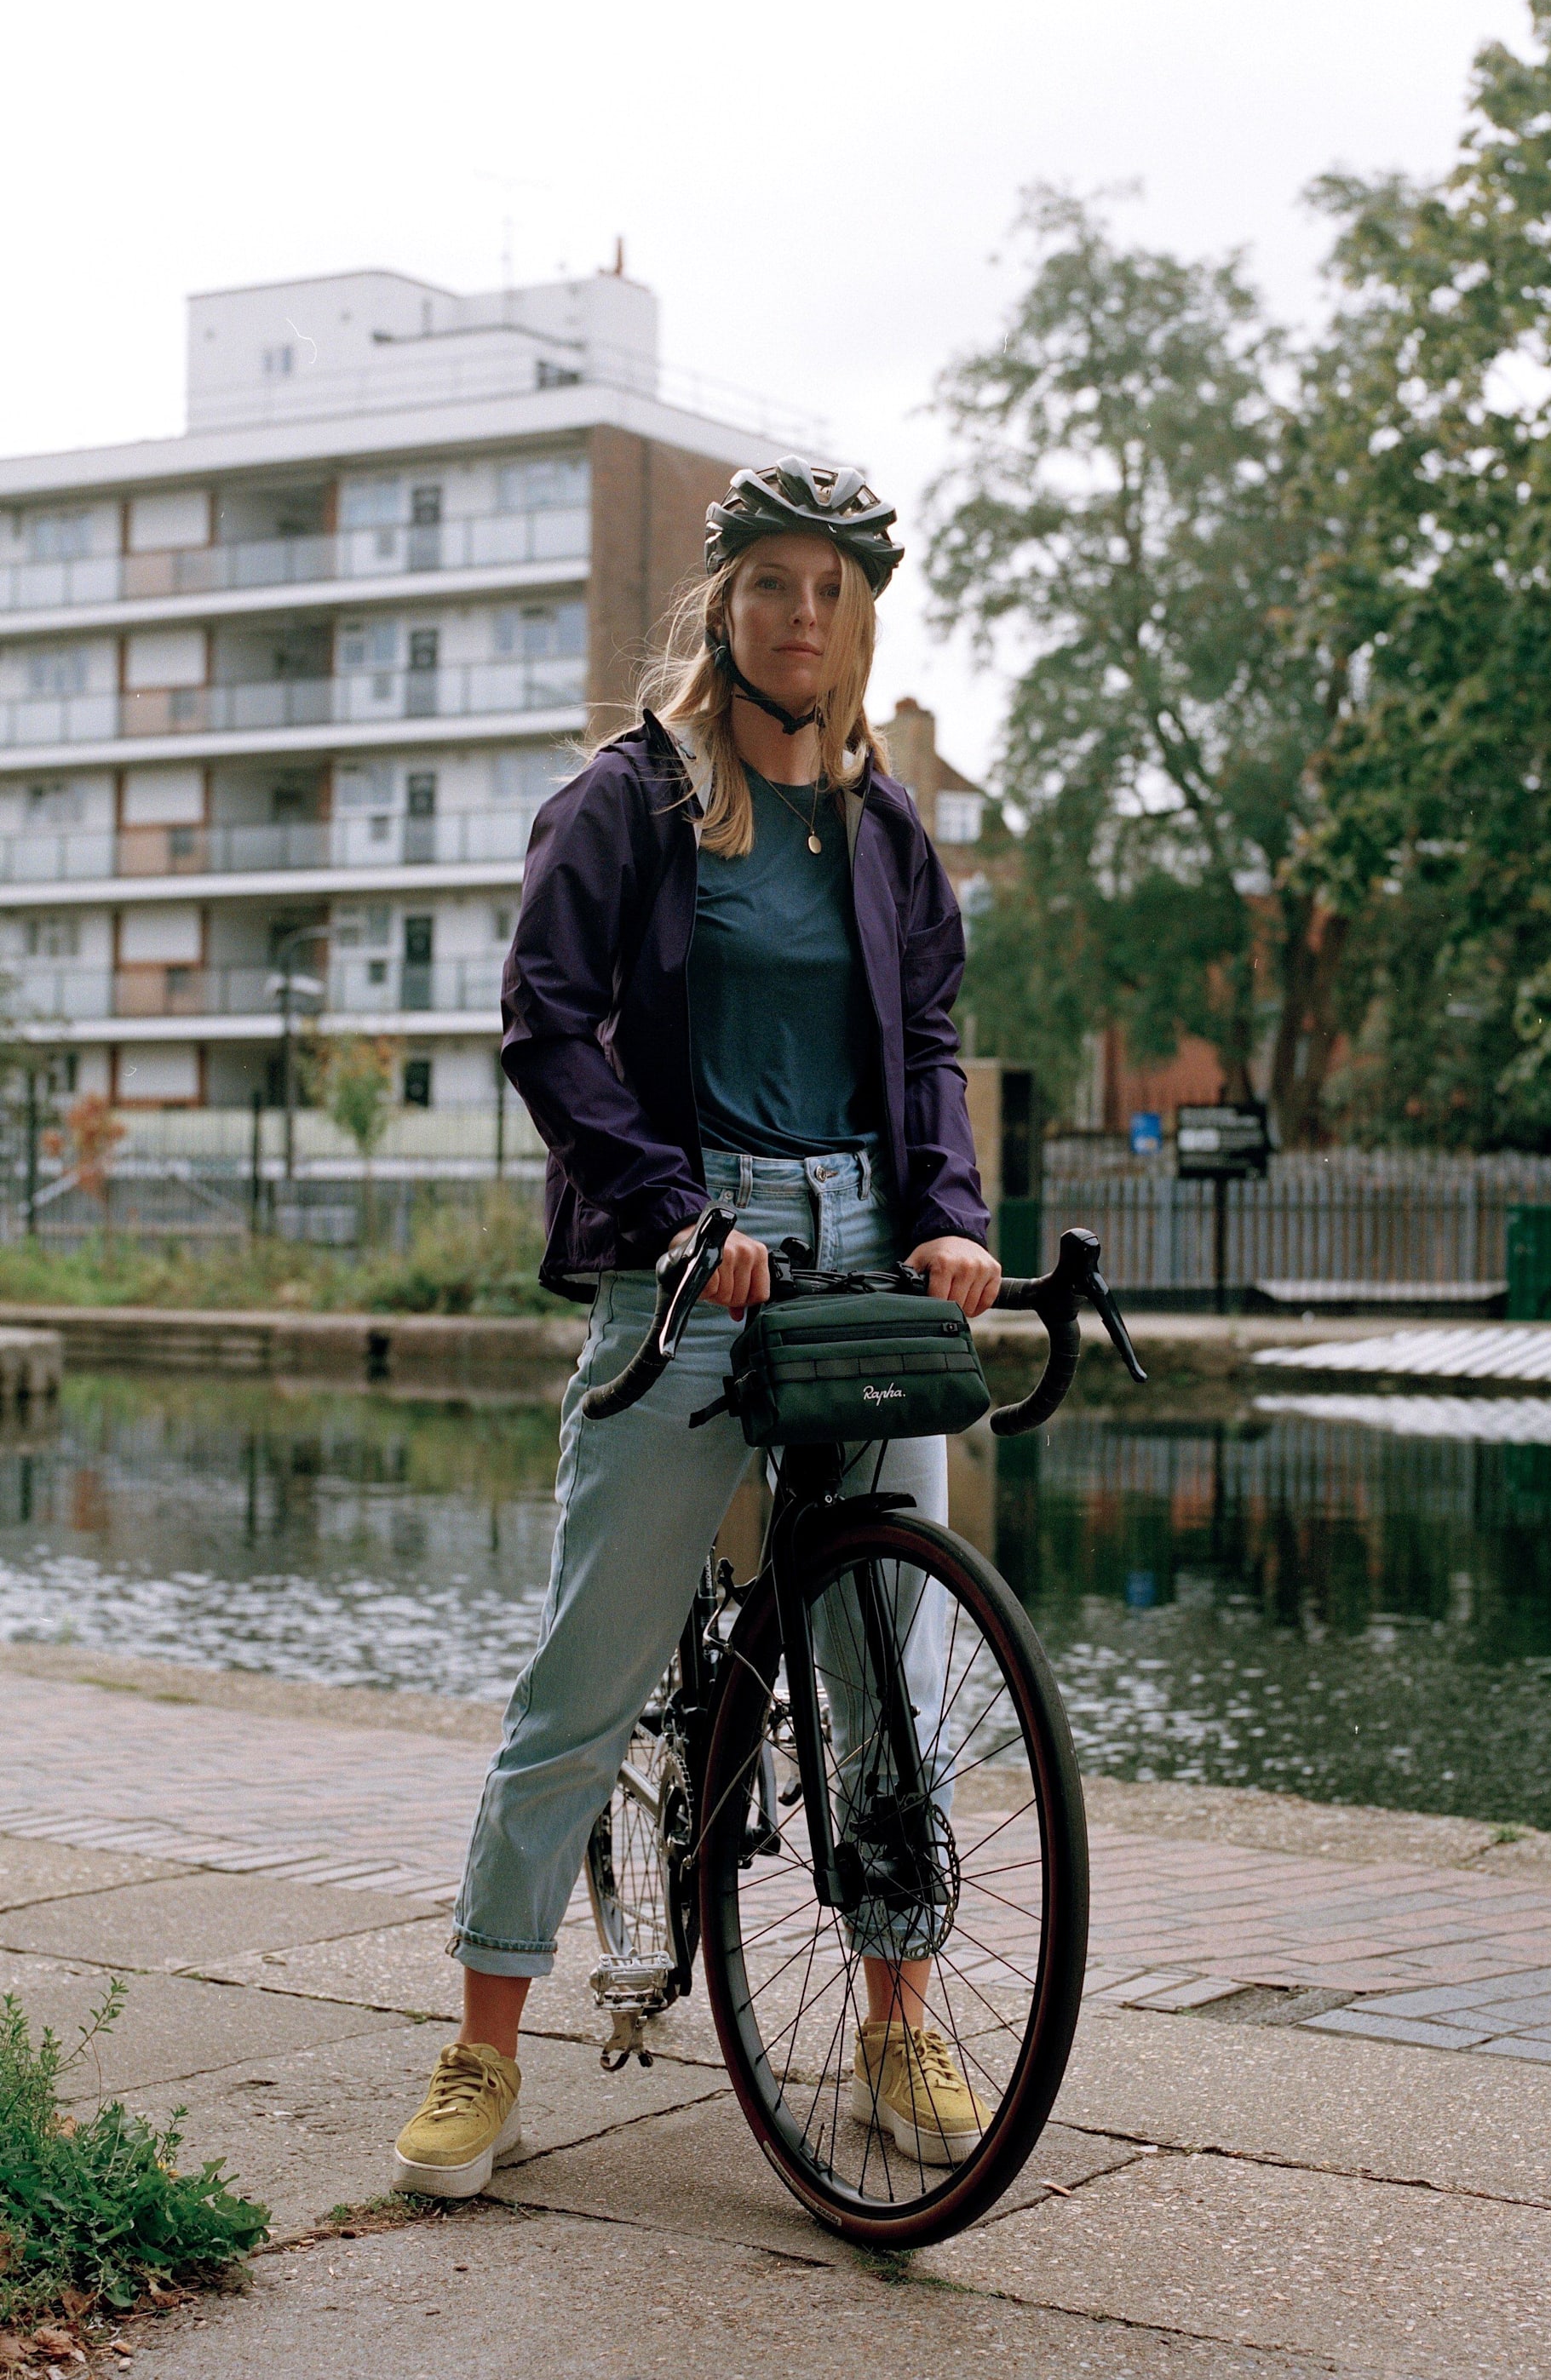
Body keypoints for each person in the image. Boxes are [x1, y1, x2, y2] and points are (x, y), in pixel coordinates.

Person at [393, 458, 1002, 2198]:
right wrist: (670, 1214)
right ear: (721, 607)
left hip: (863, 1258)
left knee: (895, 1668)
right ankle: (479, 2054)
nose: (798, 616)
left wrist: (951, 1224)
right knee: (585, 1675)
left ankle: (894, 2027)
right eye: (769, 586)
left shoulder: (885, 830)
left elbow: (931, 1043)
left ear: (856, 615)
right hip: (692, 1254)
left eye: (828, 588)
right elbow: (548, 1026)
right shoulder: (632, 801)